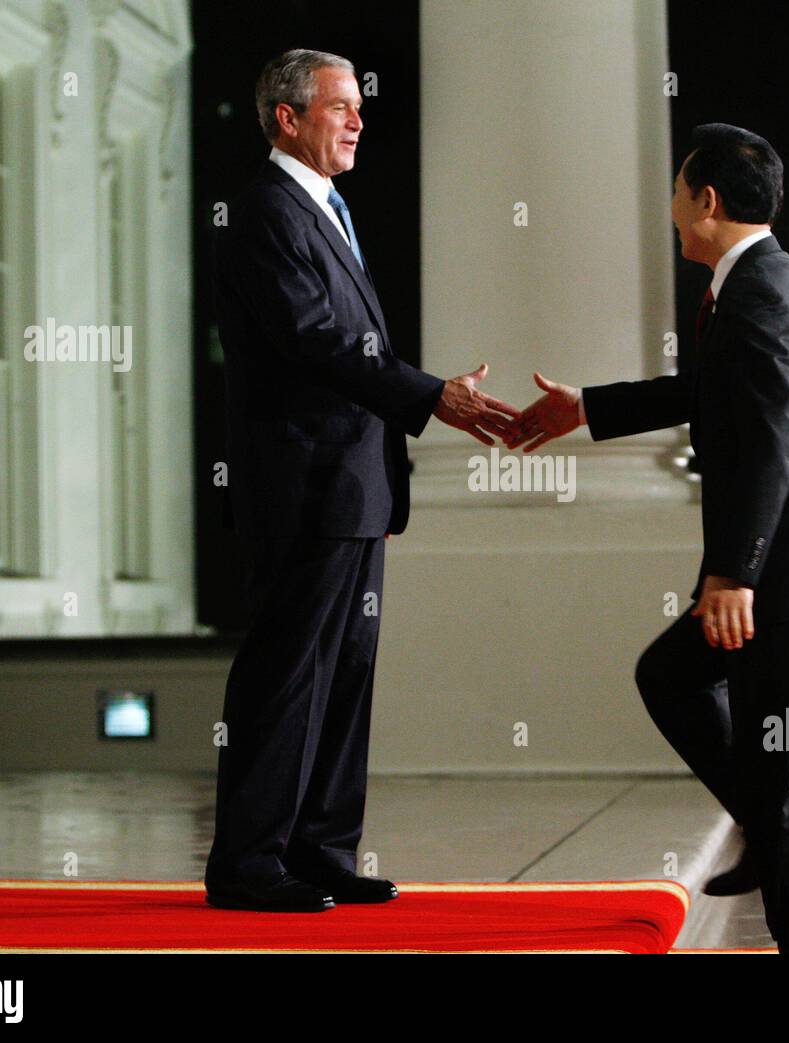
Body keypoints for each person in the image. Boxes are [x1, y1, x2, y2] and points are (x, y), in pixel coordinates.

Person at [506, 124, 789, 954]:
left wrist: (733, 574)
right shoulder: (766, 280)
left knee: (771, 761)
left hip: (783, 569)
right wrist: (588, 406)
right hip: (787, 560)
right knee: (678, 680)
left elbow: (773, 440)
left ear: (706, 200)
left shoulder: (762, 291)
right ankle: (767, 835)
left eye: (677, 193)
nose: (671, 212)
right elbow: (712, 389)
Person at [205, 49, 518, 912]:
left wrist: (396, 450)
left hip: (351, 485)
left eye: (357, 107)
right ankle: (249, 864)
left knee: (346, 669)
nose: (358, 119)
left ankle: (320, 850)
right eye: (340, 107)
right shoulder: (265, 211)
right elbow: (317, 341)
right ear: (286, 118)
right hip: (300, 487)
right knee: (287, 672)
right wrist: (434, 395)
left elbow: (354, 347)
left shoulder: (326, 209)